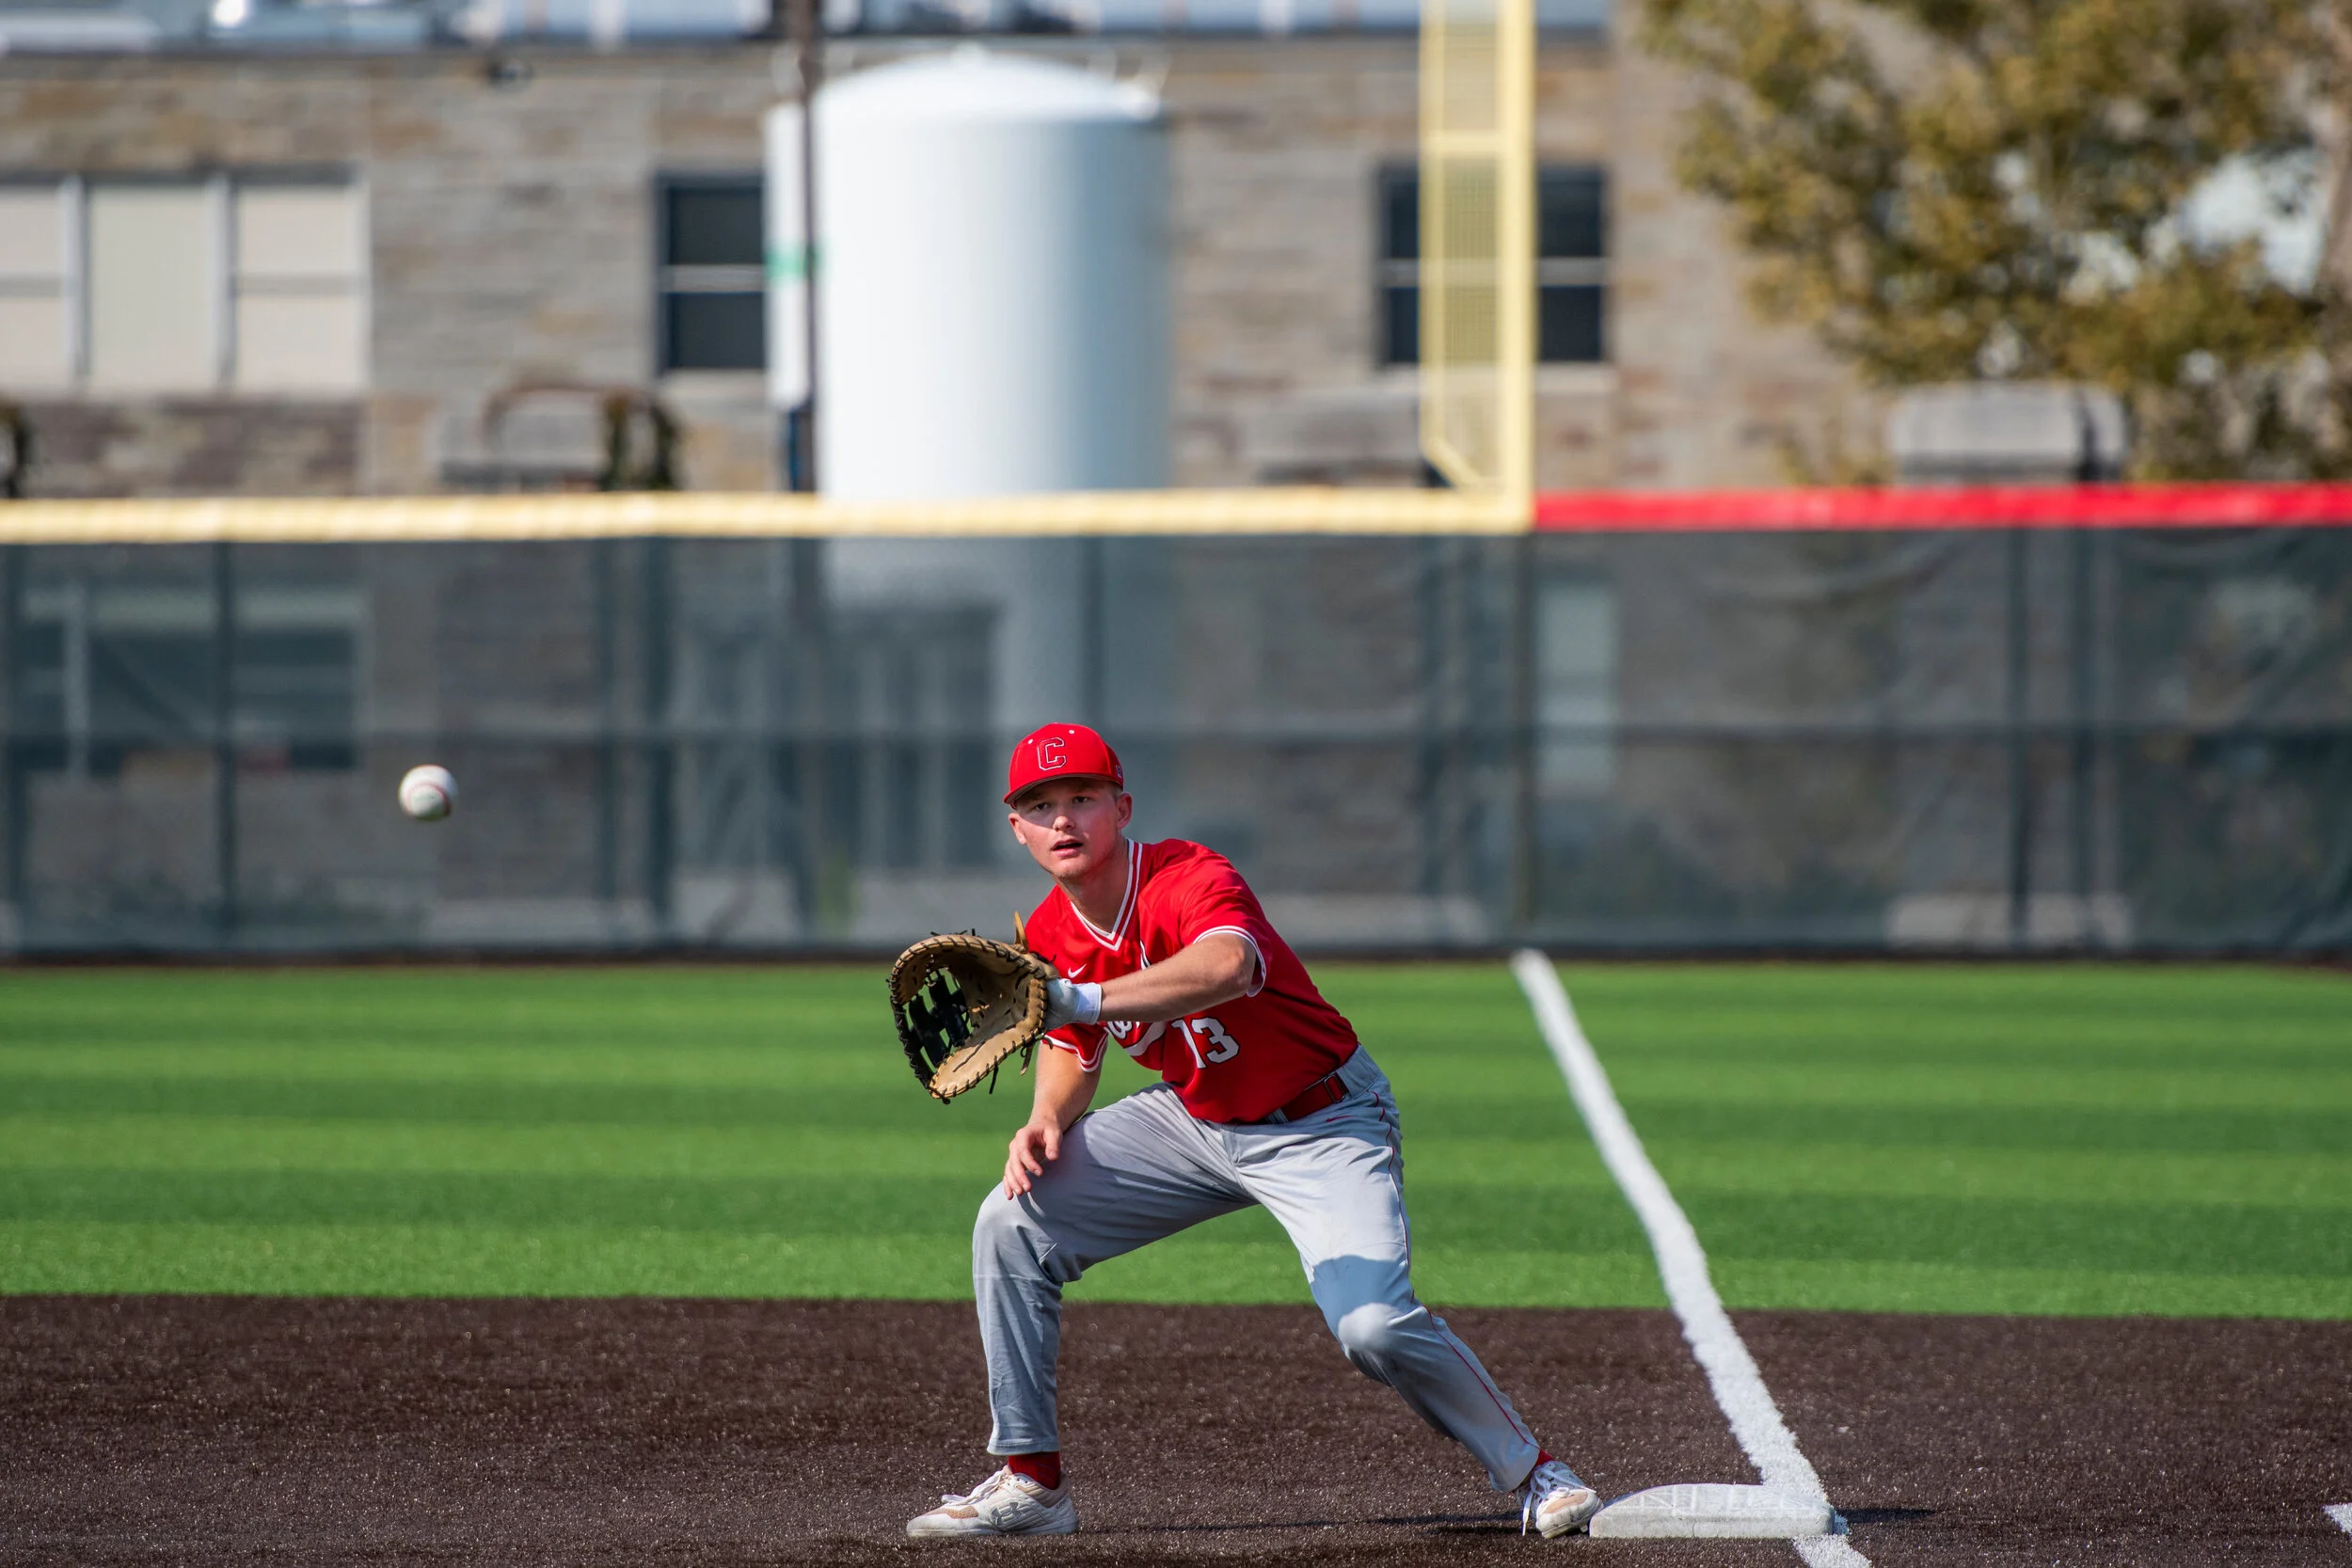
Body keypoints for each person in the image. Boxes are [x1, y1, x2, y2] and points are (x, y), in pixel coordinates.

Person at [907, 722, 1600, 1542]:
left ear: (1121, 808)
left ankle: (1534, 1469)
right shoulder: (1055, 932)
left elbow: (1227, 966)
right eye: (1039, 805)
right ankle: (1033, 1483)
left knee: (1372, 1327)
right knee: (1010, 1221)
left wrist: (1080, 998)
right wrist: (1044, 1119)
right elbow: (1071, 1047)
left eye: (1083, 797)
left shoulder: (1187, 875)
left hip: (1323, 1119)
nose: (1063, 819)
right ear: (1016, 827)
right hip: (1194, 1120)